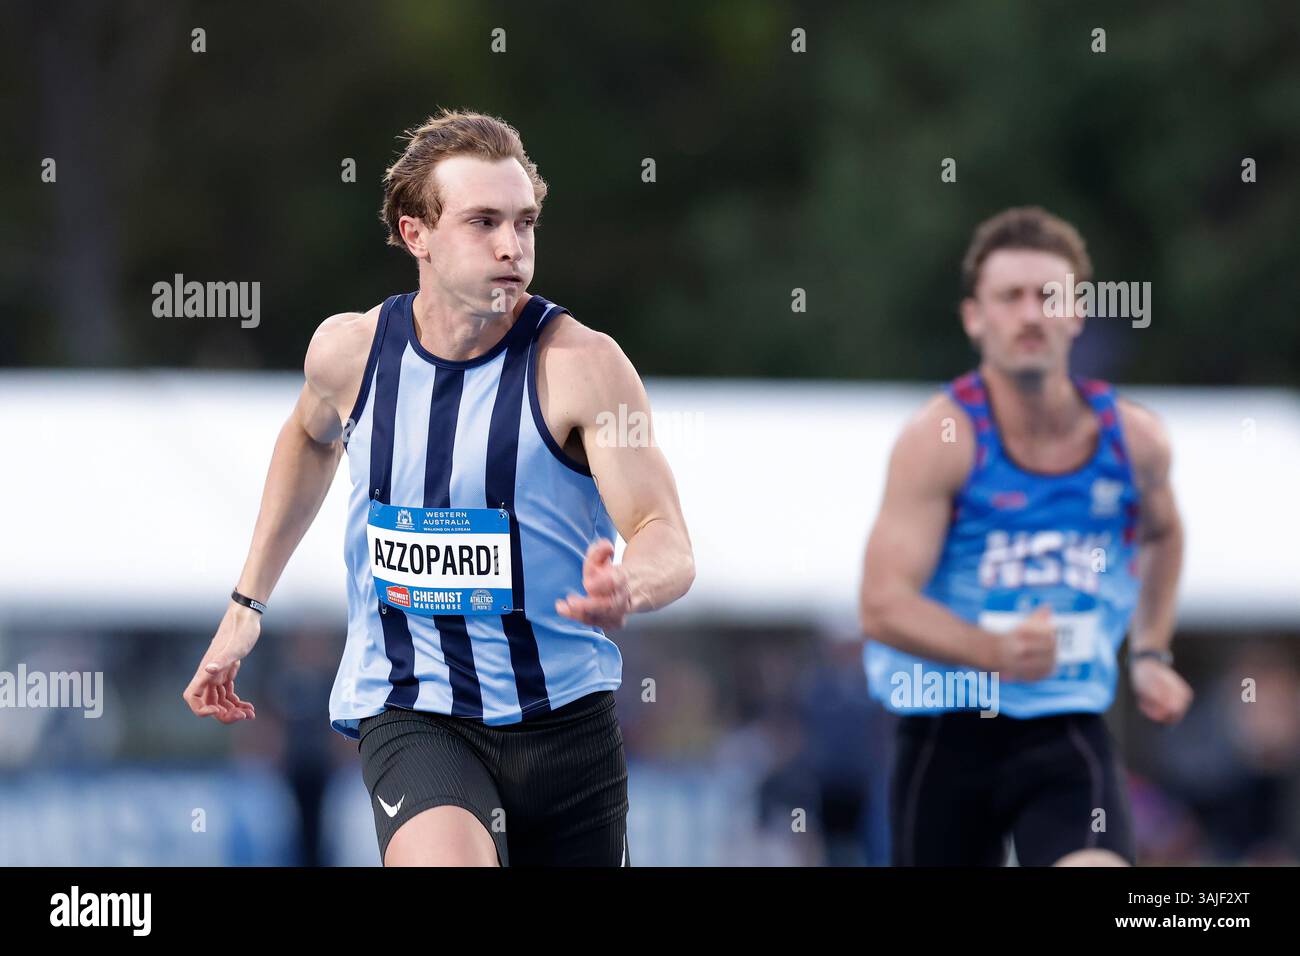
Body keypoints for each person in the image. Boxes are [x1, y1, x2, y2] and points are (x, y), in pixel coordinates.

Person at [183, 109, 695, 867]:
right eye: (483, 221)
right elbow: (308, 436)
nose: (510, 246)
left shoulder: (583, 367)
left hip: (564, 723)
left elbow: (667, 537)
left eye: (525, 223)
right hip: (416, 710)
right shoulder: (349, 354)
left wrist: (629, 585)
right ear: (414, 232)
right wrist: (246, 604)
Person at [859, 206, 1192, 866]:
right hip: (947, 729)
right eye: (1009, 297)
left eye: (1049, 296)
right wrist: (993, 649)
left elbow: (1166, 533)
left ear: (1078, 314)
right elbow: (880, 604)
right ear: (974, 319)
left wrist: (1151, 652)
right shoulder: (940, 439)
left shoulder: (1134, 439)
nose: (1030, 315)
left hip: (1065, 726)